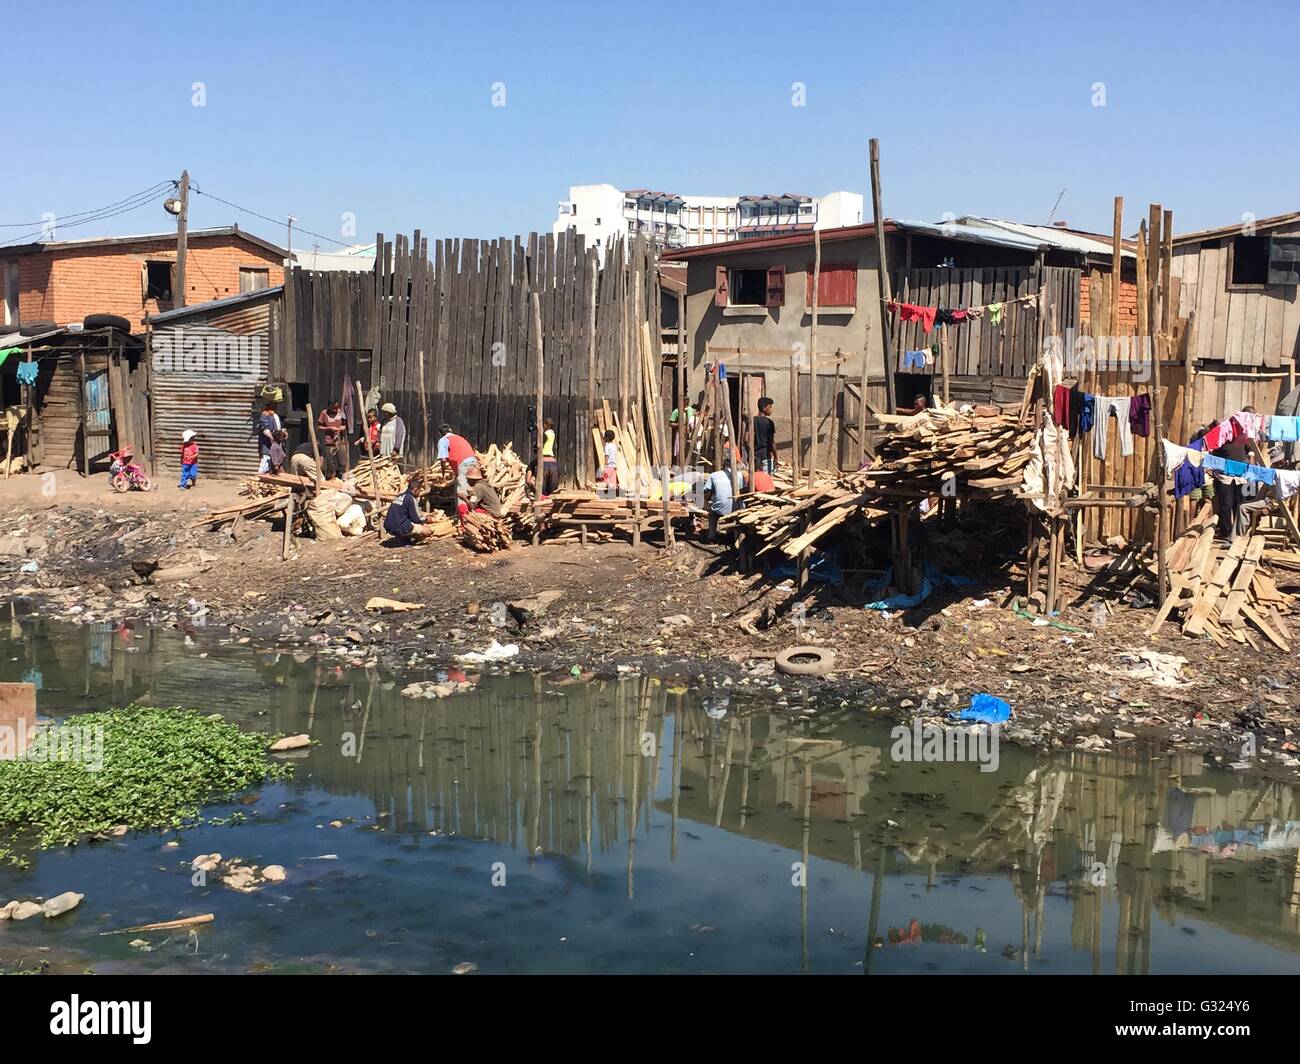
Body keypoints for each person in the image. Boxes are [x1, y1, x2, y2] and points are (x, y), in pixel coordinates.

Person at [1211, 407, 1255, 540]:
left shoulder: (1243, 435)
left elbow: (1251, 450)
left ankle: (1238, 532)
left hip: (1241, 476)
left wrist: (1251, 466)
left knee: (1240, 504)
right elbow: (1213, 454)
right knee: (1226, 504)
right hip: (1224, 476)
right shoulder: (1221, 436)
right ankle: (1226, 532)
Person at [384, 472, 437, 543]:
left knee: (410, 524)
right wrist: (427, 519)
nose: (419, 493)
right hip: (399, 527)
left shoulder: (400, 496)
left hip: (388, 526)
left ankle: (403, 538)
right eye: (419, 491)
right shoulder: (410, 498)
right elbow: (417, 519)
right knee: (428, 530)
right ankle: (404, 536)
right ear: (415, 489)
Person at [437, 423, 479, 496]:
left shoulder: (443, 440)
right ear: (450, 430)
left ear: (440, 433)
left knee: (462, 491)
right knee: (470, 486)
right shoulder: (459, 438)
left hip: (463, 463)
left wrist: (443, 473)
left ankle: (462, 503)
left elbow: (443, 460)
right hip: (473, 460)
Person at [318, 401, 347, 478]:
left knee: (343, 461)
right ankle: (331, 477)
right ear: (329, 407)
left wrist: (341, 428)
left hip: (340, 441)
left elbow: (345, 425)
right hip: (329, 442)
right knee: (330, 463)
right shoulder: (324, 413)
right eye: (333, 408)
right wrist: (329, 428)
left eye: (336, 408)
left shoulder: (341, 412)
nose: (335, 410)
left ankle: (343, 477)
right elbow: (319, 427)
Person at [705, 465, 734, 542]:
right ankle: (730, 533)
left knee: (712, 515)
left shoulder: (713, 475)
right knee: (730, 514)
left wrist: (708, 501)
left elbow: (707, 490)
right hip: (734, 506)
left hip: (720, 507)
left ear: (722, 466)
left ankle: (711, 536)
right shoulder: (738, 474)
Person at [752, 397, 777, 473]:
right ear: (764, 408)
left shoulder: (752, 421)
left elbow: (746, 439)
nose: (771, 410)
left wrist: (751, 452)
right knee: (766, 478)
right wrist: (775, 456)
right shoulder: (769, 423)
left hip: (755, 457)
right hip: (766, 456)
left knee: (756, 478)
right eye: (770, 407)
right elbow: (772, 442)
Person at [257, 401, 282, 474]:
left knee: (273, 463)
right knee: (265, 463)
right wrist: (272, 439)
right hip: (268, 444)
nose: (276, 406)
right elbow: (265, 429)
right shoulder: (265, 415)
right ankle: (259, 477)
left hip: (275, 444)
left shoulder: (275, 415)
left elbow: (278, 428)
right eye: (274, 404)